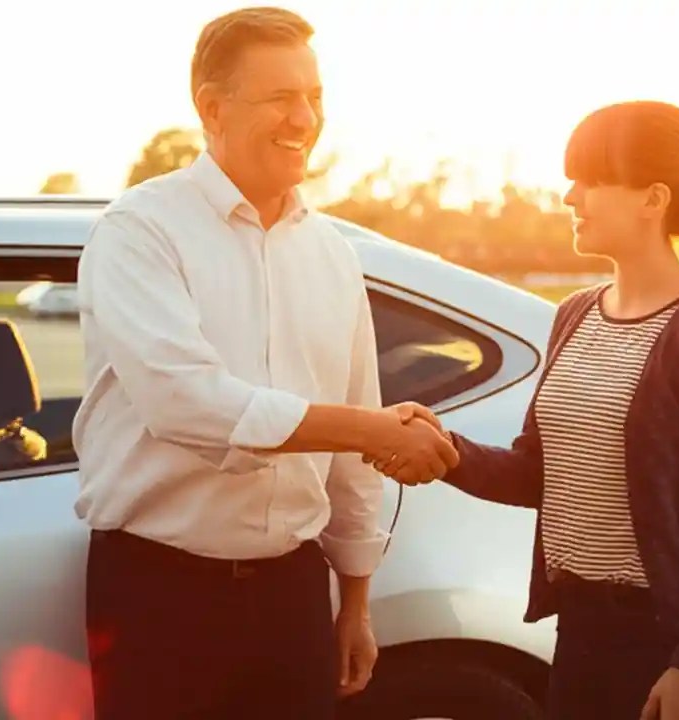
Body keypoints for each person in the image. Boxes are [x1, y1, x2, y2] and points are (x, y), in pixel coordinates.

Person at [71, 7, 458, 719]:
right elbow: (186, 401)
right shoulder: (140, 232)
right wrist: (369, 429)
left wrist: (356, 601)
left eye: (315, 97)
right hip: (158, 597)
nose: (305, 119)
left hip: (294, 599)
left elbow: (350, 453)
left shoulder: (333, 254)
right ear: (212, 109)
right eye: (281, 97)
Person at [375, 100, 679, 719]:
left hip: (661, 646)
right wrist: (447, 451)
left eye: (592, 180)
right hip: (577, 633)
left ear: (652, 199)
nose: (571, 196)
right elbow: (535, 471)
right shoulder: (575, 313)